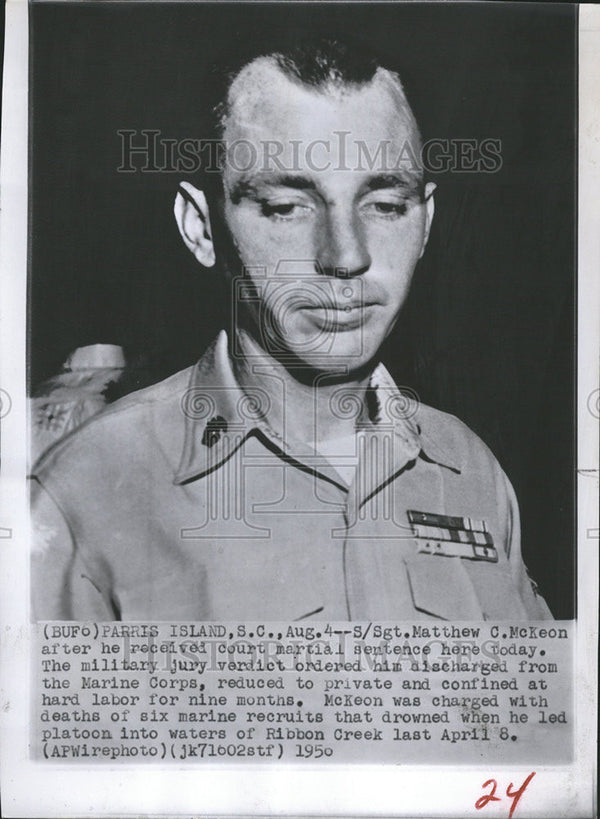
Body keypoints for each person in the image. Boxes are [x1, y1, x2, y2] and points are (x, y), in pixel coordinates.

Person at [30, 37, 552, 621]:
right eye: (286, 207)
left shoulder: (471, 470)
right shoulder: (87, 490)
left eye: (384, 205)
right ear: (201, 227)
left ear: (426, 222)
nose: (347, 257)